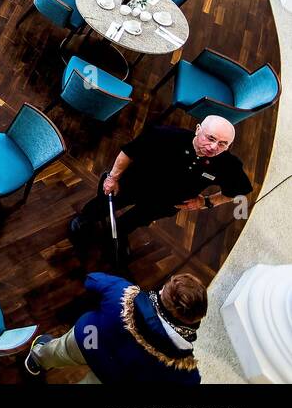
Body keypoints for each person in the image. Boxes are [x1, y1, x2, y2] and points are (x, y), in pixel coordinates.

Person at [69, 115, 250, 253]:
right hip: (133, 184)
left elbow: (239, 189)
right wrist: (113, 178)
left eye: (222, 144)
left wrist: (207, 202)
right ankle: (86, 218)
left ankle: (116, 233)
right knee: (102, 205)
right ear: (198, 129)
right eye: (210, 138)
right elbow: (128, 152)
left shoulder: (228, 164)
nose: (213, 147)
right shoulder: (164, 135)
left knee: (135, 220)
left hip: (164, 204)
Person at [25, 272, 207, 383]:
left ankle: (37, 360)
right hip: (112, 377)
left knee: (60, 351)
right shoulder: (183, 369)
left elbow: (92, 279)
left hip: (89, 340)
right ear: (192, 321)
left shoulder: (121, 292)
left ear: (163, 291)